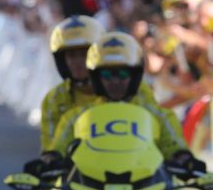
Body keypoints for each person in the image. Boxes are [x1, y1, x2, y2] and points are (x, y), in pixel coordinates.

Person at [48, 32, 195, 166]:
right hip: (88, 188)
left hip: (147, 188)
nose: (115, 81)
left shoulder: (161, 116)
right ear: (96, 79)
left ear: (135, 77)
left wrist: (185, 160)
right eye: (107, 75)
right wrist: (48, 161)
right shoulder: (74, 117)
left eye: (123, 74)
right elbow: (56, 150)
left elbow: (175, 146)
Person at [38, 16, 104, 153]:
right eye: (71, 55)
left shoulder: (133, 90)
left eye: (84, 54)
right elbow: (50, 151)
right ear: (62, 61)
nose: (77, 61)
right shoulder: (54, 99)